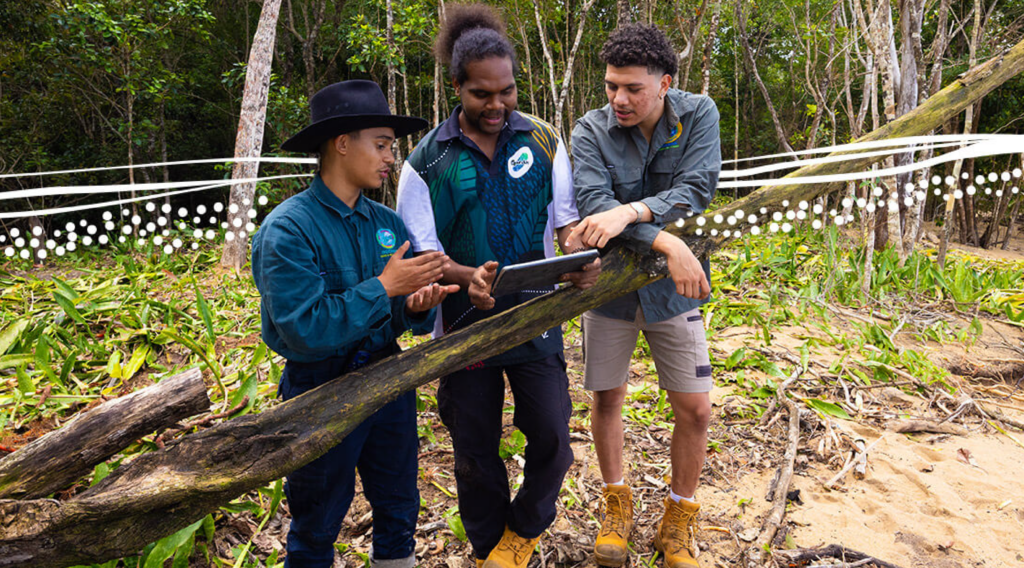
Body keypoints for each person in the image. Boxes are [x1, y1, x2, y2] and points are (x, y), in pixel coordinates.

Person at [395, 5, 600, 568]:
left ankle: (524, 529)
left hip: (536, 314)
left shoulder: (543, 139)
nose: (497, 105)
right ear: (457, 87)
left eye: (506, 91)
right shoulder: (425, 162)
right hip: (463, 325)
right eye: (482, 94)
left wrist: (581, 258)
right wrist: (466, 279)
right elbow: (419, 257)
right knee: (475, 453)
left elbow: (564, 224)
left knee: (554, 436)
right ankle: (491, 549)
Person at [251, 80, 458, 568]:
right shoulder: (288, 231)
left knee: (399, 511)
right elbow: (305, 330)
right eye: (382, 144)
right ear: (342, 144)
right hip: (318, 388)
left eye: (393, 146)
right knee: (317, 521)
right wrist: (384, 287)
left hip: (388, 382)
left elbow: (395, 318)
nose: (391, 157)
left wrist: (414, 306)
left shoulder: (386, 223)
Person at [566, 24, 721, 568]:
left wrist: (631, 213)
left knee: (696, 408)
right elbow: (591, 203)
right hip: (610, 289)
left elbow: (698, 188)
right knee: (607, 399)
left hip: (675, 292)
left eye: (632, 88)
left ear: (665, 84)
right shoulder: (590, 130)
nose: (619, 99)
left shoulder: (698, 114)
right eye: (611, 86)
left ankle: (678, 518)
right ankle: (617, 505)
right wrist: (666, 241)